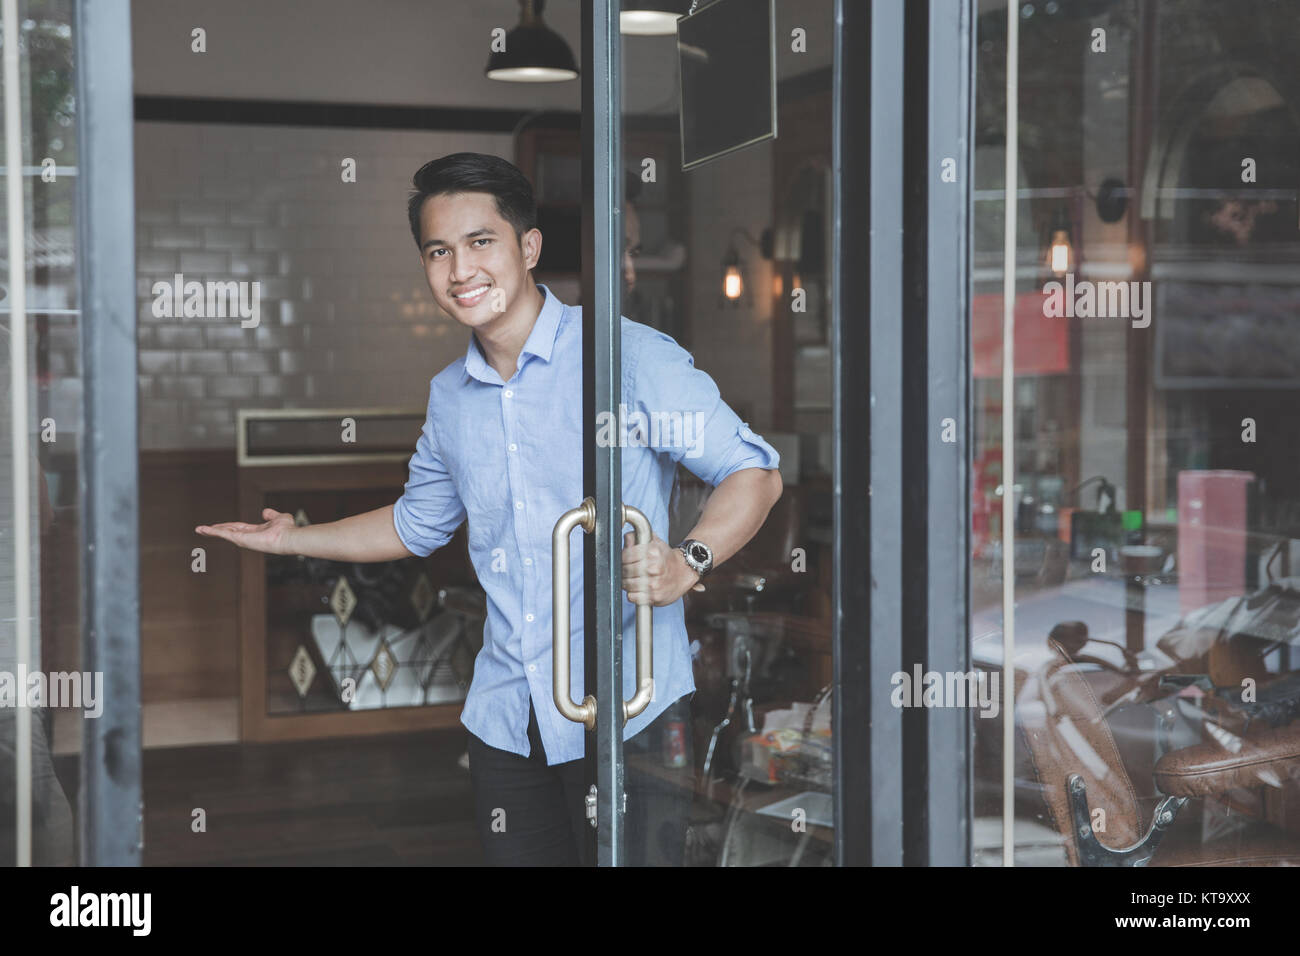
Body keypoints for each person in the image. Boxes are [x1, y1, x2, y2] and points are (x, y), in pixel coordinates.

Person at [196, 152, 783, 866]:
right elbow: (416, 524)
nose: (460, 269)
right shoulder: (451, 397)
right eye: (438, 251)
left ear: (528, 248)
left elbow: (752, 472)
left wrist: (686, 562)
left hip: (630, 713)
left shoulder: (627, 359)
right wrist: (295, 540)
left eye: (481, 242)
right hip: (508, 716)